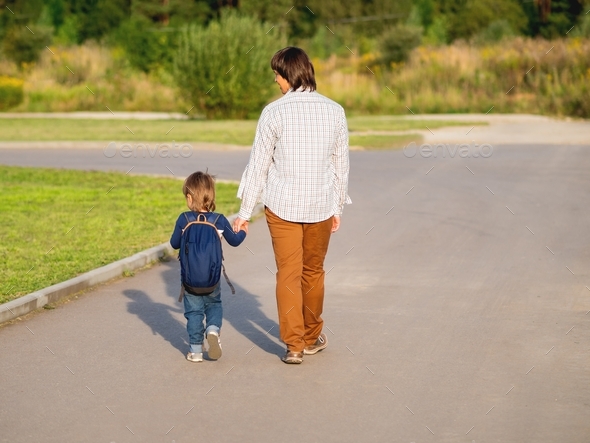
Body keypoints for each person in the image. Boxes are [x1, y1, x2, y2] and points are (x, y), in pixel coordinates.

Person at [233, 47, 351, 364]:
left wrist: (244, 214)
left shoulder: (273, 113)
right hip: (321, 206)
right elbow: (341, 166)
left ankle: (294, 346)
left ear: (288, 75)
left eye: (277, 75)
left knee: (288, 273)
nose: (275, 81)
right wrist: (337, 207)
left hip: (282, 206)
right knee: (313, 273)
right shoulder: (335, 111)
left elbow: (258, 165)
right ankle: (311, 337)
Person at [171, 171, 247, 362]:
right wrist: (243, 231)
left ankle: (196, 351)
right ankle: (213, 329)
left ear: (189, 197)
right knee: (214, 305)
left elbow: (174, 244)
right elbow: (235, 241)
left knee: (194, 312)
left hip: (189, 281)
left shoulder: (184, 219)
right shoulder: (219, 220)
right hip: (212, 279)